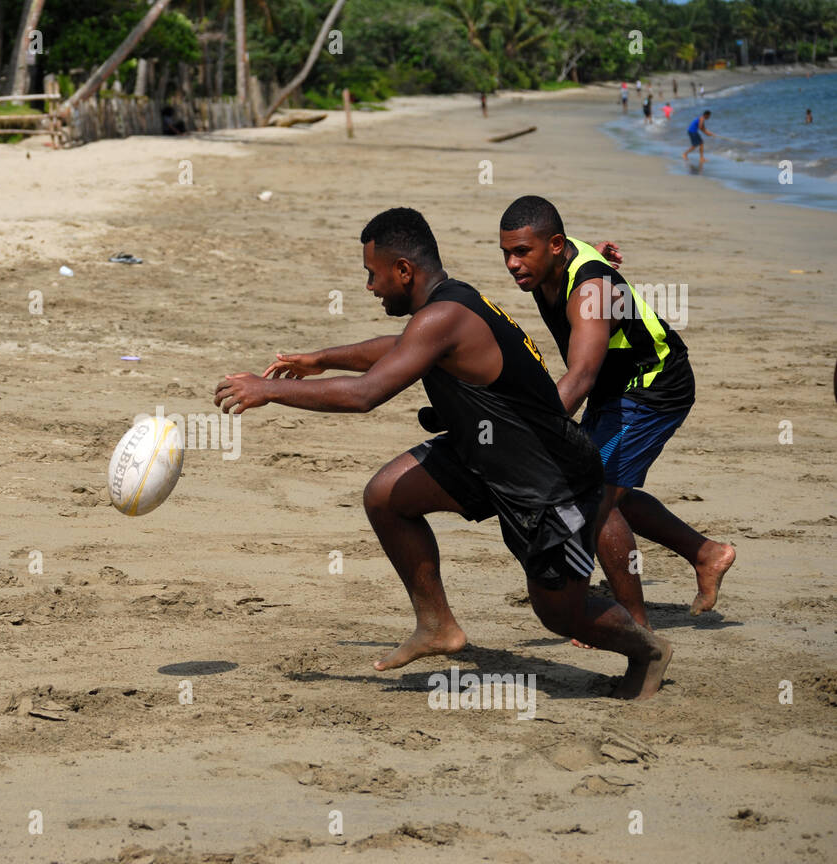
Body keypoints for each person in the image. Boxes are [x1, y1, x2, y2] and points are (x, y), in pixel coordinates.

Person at [214, 207, 673, 700]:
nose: (370, 287)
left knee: (559, 613)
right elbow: (398, 346)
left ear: (404, 271)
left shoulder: (445, 316)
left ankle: (645, 648)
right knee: (387, 495)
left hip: (547, 478)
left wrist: (267, 390)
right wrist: (321, 359)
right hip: (486, 455)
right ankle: (437, 626)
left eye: (373, 275)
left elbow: (366, 394)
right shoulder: (446, 308)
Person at [497, 196, 735, 640]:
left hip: (653, 386)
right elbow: (585, 254)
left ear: (553, 245)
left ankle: (634, 623)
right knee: (609, 492)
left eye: (521, 252)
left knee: (594, 495)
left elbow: (581, 375)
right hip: (616, 386)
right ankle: (706, 554)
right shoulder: (556, 260)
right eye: (506, 253)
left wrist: (525, 435)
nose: (512, 264)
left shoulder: (589, 290)